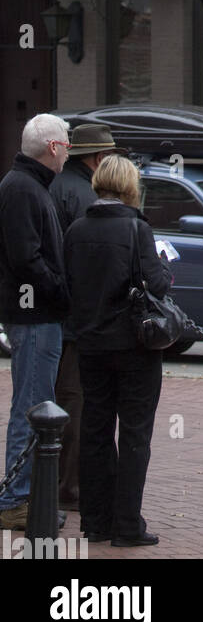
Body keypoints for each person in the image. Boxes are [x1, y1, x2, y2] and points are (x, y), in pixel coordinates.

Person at [64, 153, 171, 547]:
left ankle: (95, 521)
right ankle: (127, 524)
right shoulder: (136, 229)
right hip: (133, 346)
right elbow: (157, 285)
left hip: (90, 345)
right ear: (130, 187)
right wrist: (164, 265)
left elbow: (68, 285)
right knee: (134, 434)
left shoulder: (76, 230)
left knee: (95, 429)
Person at [0, 113, 72, 531]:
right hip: (34, 317)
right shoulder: (23, 190)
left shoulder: (27, 186)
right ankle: (17, 498)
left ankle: (23, 494)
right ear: (53, 148)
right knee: (32, 404)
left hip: (38, 315)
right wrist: (61, 292)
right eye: (65, 142)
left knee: (33, 401)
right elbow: (27, 258)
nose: (67, 149)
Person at [51, 123, 121, 510]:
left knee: (58, 399)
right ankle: (70, 486)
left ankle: (56, 481)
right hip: (76, 322)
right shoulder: (83, 197)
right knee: (75, 401)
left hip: (55, 317)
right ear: (96, 159)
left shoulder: (56, 186)